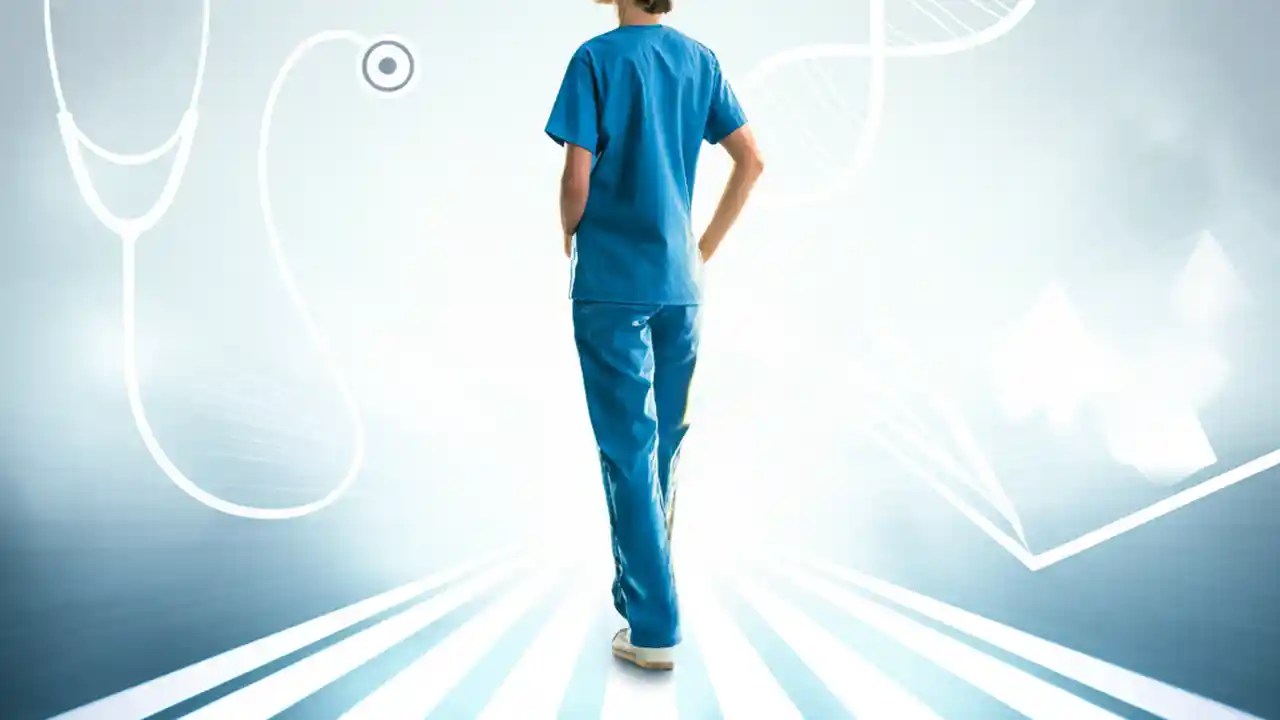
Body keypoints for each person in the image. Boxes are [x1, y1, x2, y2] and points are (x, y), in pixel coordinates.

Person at [545, 0, 765, 671]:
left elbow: (576, 175)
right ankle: (638, 592)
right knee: (663, 449)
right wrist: (701, 249)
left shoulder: (595, 59)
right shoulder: (701, 61)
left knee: (627, 453)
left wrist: (566, 228)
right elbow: (751, 162)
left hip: (613, 284)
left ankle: (653, 625)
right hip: (680, 288)